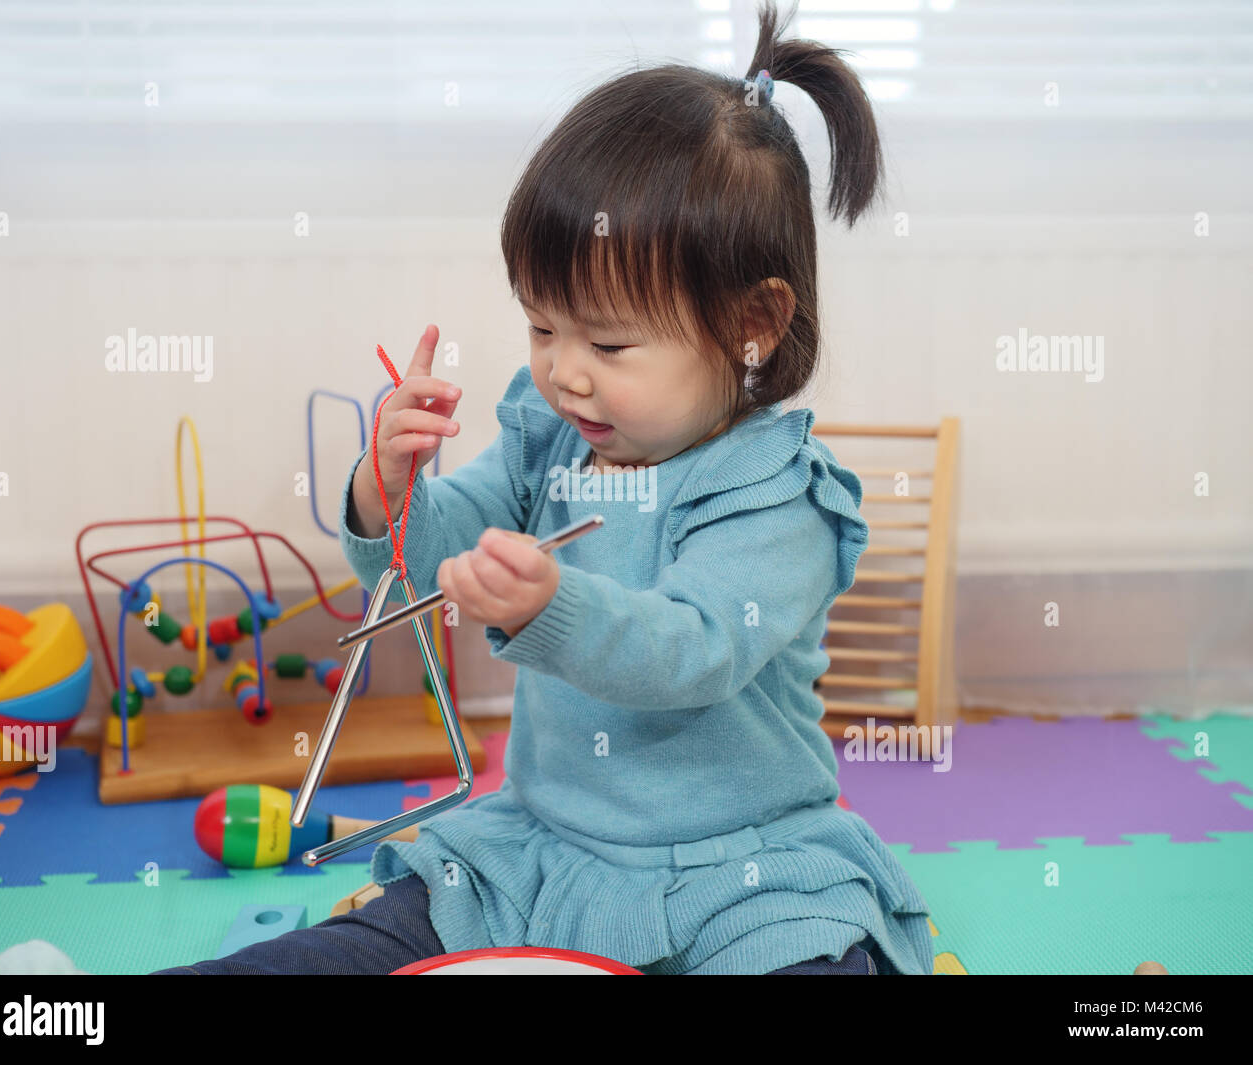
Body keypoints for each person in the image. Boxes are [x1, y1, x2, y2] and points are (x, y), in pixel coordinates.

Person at [157, 0, 933, 976]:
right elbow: (445, 554)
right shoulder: (550, 432)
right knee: (352, 946)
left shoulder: (785, 501)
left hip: (744, 873)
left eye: (607, 343)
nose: (565, 371)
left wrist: (552, 606)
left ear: (754, 322)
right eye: (540, 326)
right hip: (537, 852)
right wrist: (390, 486)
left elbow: (690, 651)